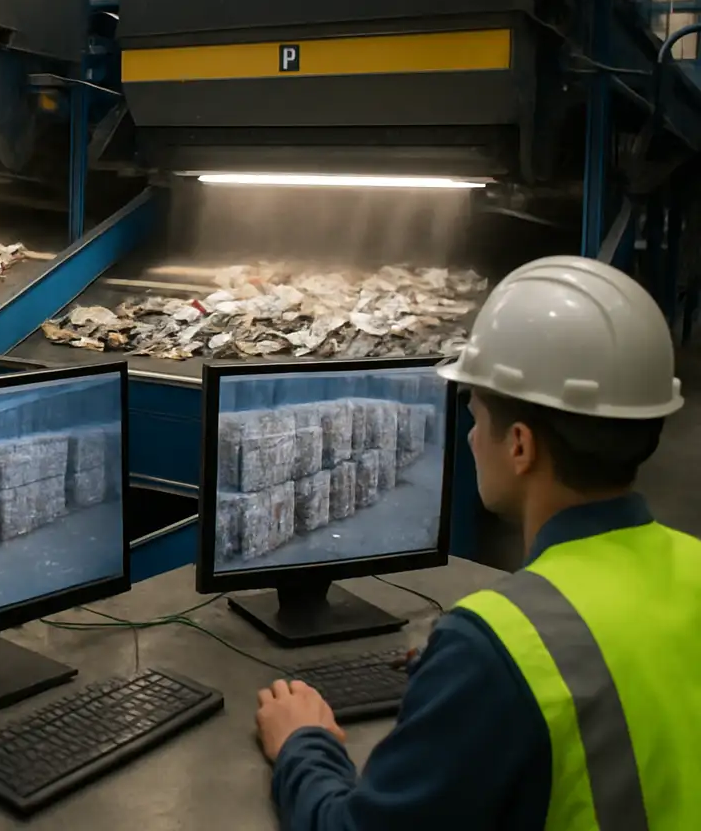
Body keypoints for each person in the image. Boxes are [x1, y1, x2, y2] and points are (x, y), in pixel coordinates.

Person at [254, 255, 701, 830]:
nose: (467, 435)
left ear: (520, 446)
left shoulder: (498, 646)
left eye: (475, 413)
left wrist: (302, 744)